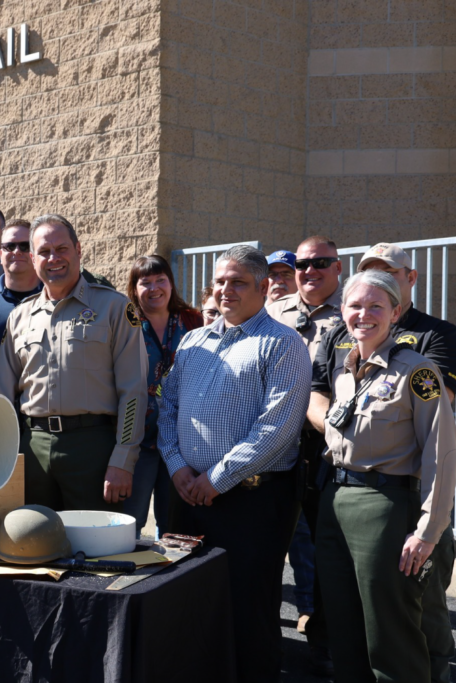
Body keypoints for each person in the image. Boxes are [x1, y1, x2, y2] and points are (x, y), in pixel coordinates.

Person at [313, 242, 456, 683]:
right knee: (344, 627)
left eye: (375, 306)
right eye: (354, 305)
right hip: (336, 501)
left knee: (389, 633)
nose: (363, 314)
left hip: (384, 508)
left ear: (395, 313)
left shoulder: (417, 371)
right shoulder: (345, 370)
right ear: (342, 311)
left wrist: (427, 531)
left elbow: (441, 454)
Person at [158, 244, 309, 683]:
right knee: (187, 598)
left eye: (238, 282)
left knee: (248, 605)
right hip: (187, 493)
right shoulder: (192, 341)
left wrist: (217, 479)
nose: (226, 290)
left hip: (253, 500)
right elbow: (166, 408)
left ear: (263, 288)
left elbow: (277, 428)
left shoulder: (283, 344)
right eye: (220, 281)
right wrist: (176, 467)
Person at [0, 214, 147, 512]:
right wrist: (3, 458)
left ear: (78, 250)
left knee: (92, 550)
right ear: (32, 257)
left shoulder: (114, 307)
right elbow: (3, 396)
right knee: (35, 545)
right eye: (44, 251)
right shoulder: (19, 317)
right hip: (33, 448)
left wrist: (123, 459)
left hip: (93, 448)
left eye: (62, 249)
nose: (54, 258)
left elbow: (134, 392)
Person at [266, 236, 343, 673]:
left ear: (338, 266)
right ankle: (263, 640)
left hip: (325, 451)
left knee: (324, 551)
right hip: (272, 447)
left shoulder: (354, 313)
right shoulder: (274, 312)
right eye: (303, 264)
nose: (310, 270)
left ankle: (324, 645)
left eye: (321, 262)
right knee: (266, 546)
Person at [122, 255, 202, 538]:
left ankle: (170, 580)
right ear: (134, 288)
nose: (154, 288)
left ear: (171, 283)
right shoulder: (124, 323)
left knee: (175, 522)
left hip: (183, 442)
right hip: (136, 440)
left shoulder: (193, 320)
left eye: (161, 280)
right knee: (129, 519)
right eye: (145, 282)